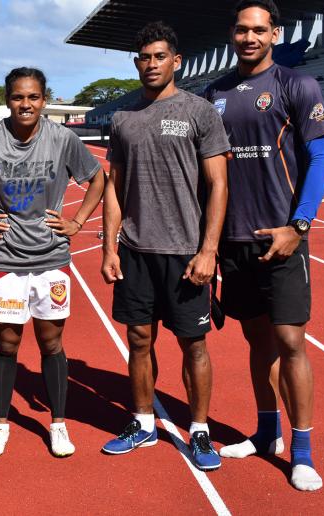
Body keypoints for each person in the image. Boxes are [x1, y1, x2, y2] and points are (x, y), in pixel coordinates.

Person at [0, 67, 104, 458]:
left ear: (44, 100)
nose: (25, 104)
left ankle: (58, 425)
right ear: (7, 99)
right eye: (17, 97)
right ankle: (0, 424)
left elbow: (97, 179)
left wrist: (77, 221)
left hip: (52, 257)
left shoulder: (62, 139)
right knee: (7, 342)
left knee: (51, 341)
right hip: (4, 257)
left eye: (32, 97)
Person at [204, 0, 324, 491]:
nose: (249, 37)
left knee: (291, 342)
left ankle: (302, 452)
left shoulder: (297, 85)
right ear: (232, 35)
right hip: (234, 240)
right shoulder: (214, 92)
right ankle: (265, 433)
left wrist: (297, 226)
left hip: (282, 239)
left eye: (259, 30)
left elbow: (321, 157)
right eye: (241, 30)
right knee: (256, 343)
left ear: (274, 34)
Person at [99, 21, 230, 472]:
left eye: (159, 57)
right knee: (139, 340)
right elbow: (114, 187)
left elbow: (217, 184)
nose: (150, 64)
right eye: (143, 57)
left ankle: (198, 430)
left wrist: (209, 249)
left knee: (193, 344)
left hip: (185, 252)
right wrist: (109, 247)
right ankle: (143, 423)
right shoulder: (122, 118)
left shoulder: (199, 112)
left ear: (175, 61)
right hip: (135, 251)